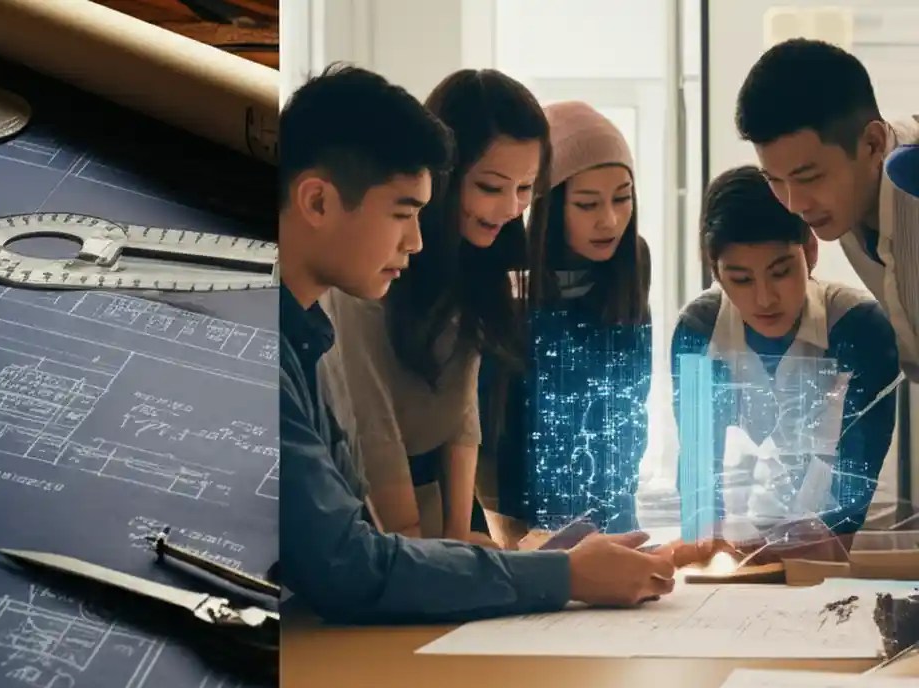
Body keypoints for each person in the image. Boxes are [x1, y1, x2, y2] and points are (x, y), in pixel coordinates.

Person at [278, 63, 709, 625]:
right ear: (316, 203)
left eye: (524, 190)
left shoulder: (314, 326)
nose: (416, 238)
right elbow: (353, 554)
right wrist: (563, 573)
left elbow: (458, 415)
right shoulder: (321, 322)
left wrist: (454, 543)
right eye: (405, 213)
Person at [316, 68, 549, 544]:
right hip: (366, 502)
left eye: (524, 188)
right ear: (443, 174)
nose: (510, 208)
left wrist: (459, 533)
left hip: (432, 493)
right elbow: (371, 423)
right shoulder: (373, 260)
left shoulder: (480, 259)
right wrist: (419, 543)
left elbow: (463, 408)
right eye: (490, 187)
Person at [671, 165, 900, 546]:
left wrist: (815, 542)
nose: (764, 299)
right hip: (744, 540)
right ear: (716, 272)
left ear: (809, 251)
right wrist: (709, 542)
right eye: (741, 279)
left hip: (856, 541)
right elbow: (699, 466)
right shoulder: (699, 330)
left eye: (780, 272)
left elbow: (857, 473)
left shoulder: (859, 326)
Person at [489, 101, 652, 538]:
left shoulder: (633, 264)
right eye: (587, 204)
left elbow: (632, 403)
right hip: (524, 518)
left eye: (622, 198)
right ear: (550, 204)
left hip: (614, 510)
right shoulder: (509, 272)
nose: (610, 220)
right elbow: (496, 422)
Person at [736, 37, 919, 380]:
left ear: (872, 144)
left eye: (810, 177)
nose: (794, 204)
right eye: (775, 180)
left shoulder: (909, 180)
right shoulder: (849, 197)